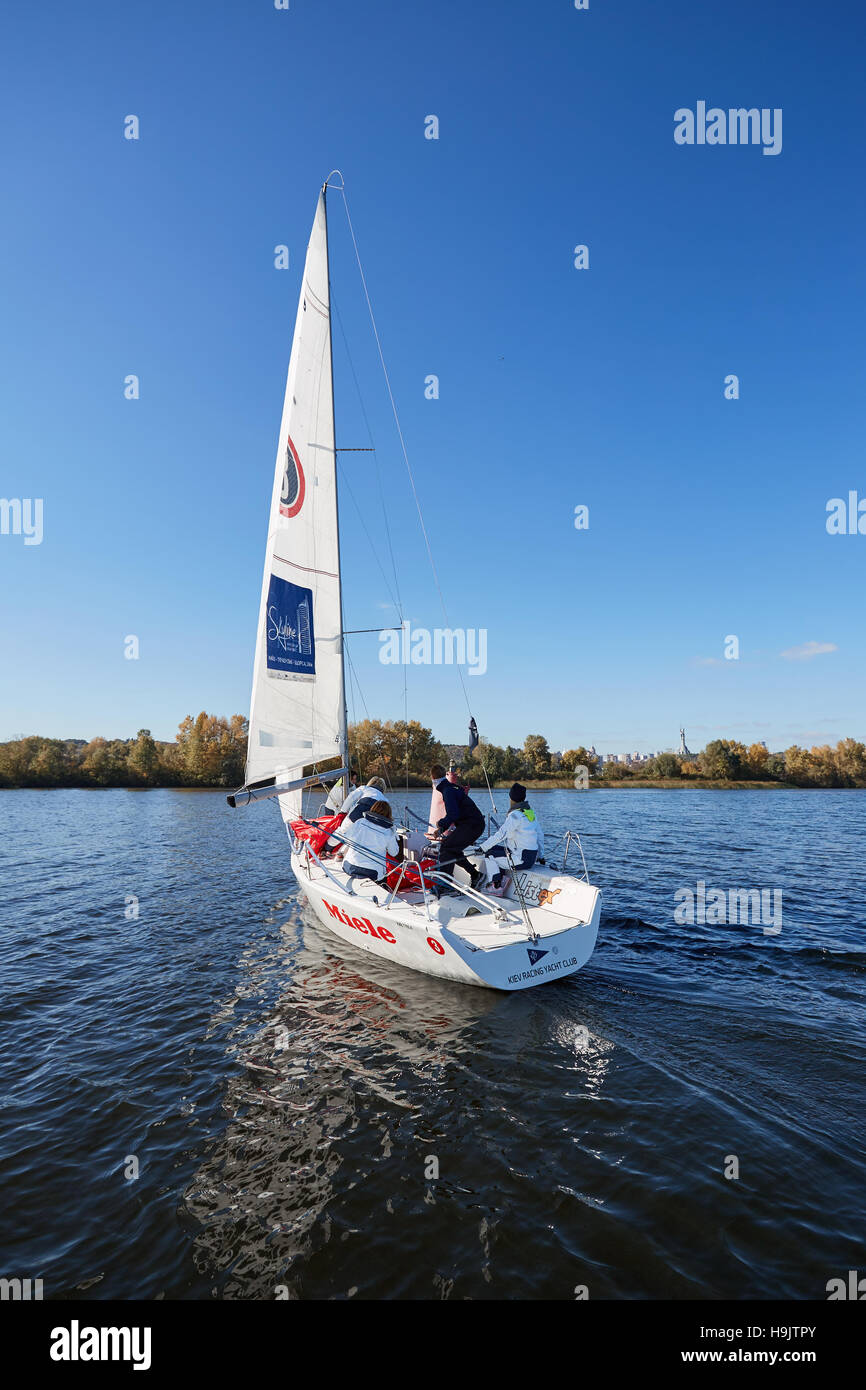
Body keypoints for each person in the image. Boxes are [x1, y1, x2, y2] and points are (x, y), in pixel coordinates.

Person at [427, 763, 485, 890]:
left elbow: (453, 814)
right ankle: (476, 875)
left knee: (446, 848)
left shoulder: (448, 791)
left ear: (433, 778)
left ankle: (445, 885)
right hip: (473, 823)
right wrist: (441, 829)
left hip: (472, 825)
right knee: (453, 849)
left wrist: (441, 824)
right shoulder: (450, 788)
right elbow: (455, 814)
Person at [479, 782, 545, 887]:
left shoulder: (515, 815)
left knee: (489, 854)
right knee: (494, 848)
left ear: (511, 798)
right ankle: (502, 879)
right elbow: (540, 836)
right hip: (531, 858)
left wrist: (482, 847)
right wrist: (541, 856)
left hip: (521, 860)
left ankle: (496, 886)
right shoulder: (530, 813)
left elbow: (501, 835)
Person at [340, 800, 400, 884]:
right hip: (373, 874)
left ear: (373, 809)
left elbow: (347, 838)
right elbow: (394, 853)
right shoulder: (389, 832)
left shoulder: (360, 822)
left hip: (349, 866)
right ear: (388, 814)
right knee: (384, 879)